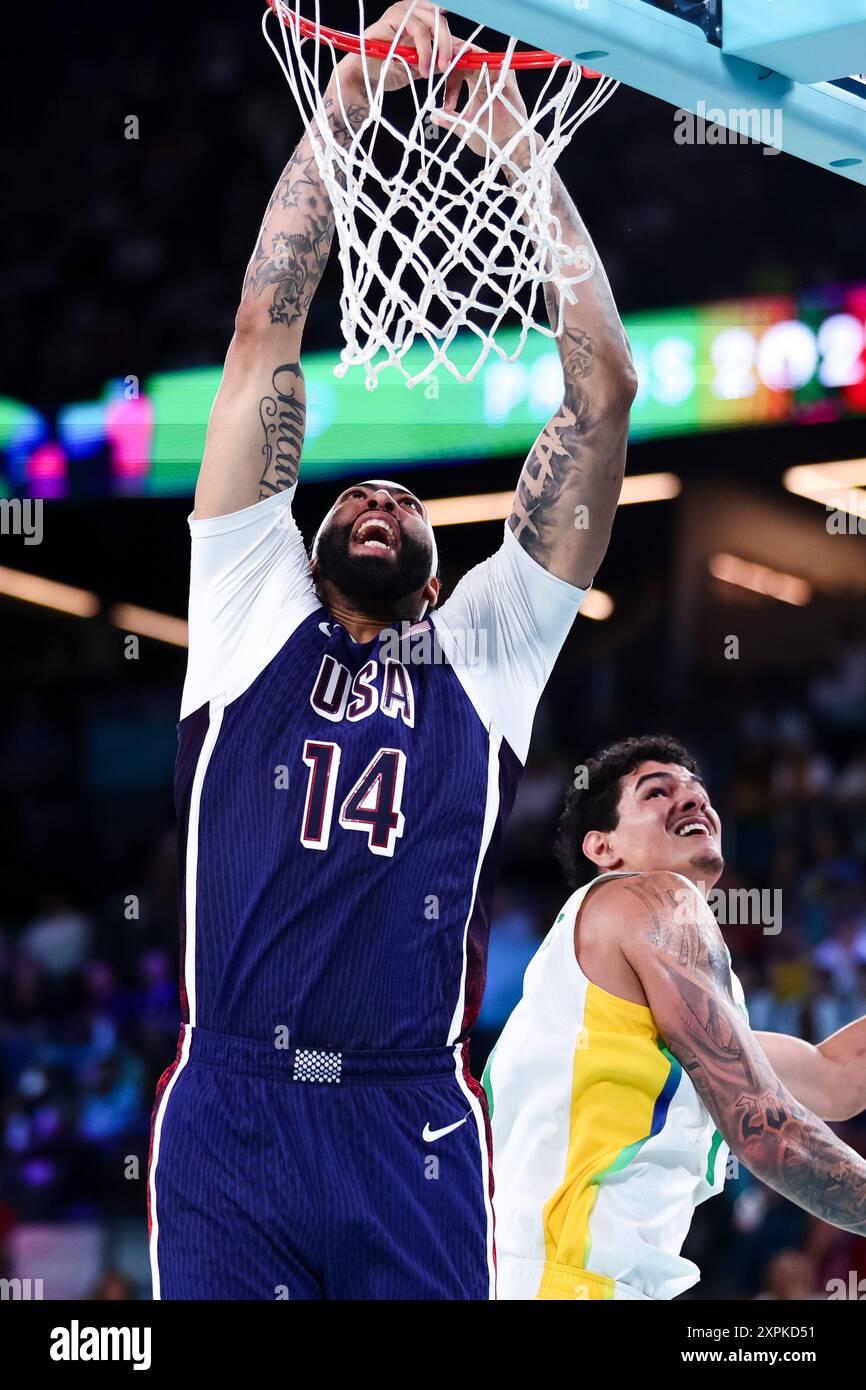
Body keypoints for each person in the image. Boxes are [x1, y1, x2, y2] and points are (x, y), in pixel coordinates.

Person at [147, 2, 637, 1300]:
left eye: (404, 503)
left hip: (407, 1116)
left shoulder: (486, 647)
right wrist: (353, 92)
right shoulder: (248, 604)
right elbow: (265, 329)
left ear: (440, 557)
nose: (375, 500)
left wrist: (513, 144)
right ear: (305, 539)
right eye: (351, 497)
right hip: (235, 1102)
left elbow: (602, 394)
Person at [485, 735, 866, 1300]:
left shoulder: (633, 1015)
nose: (692, 802)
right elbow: (765, 1128)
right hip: (561, 1283)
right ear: (602, 847)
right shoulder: (649, 899)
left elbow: (837, 1078)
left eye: (698, 792)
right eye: (656, 793)